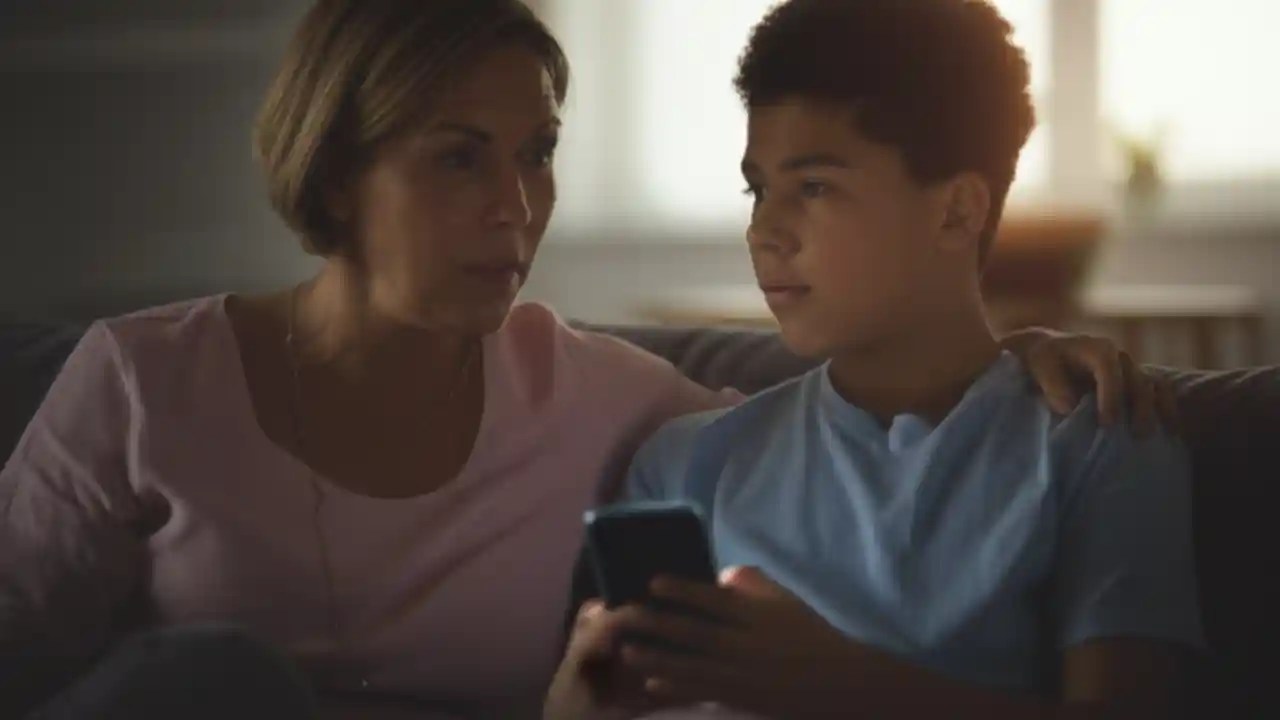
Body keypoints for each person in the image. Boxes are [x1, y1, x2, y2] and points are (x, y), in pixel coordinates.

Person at [1, 1, 1171, 718]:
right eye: (459, 158)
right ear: (339, 167)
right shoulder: (140, 383)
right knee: (216, 684)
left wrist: (1018, 349)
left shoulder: (617, 412)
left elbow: (887, 386)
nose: (517, 207)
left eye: (537, 155)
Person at [548, 1, 1202, 718]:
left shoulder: (1097, 439)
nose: (765, 231)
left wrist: (841, 684)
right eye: (757, 189)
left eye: (815, 187)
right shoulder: (688, 464)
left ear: (956, 212)